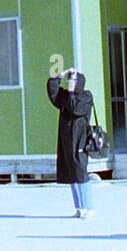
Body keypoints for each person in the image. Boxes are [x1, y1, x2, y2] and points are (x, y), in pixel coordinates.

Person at [47, 67, 94, 217]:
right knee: (71, 173)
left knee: (80, 172)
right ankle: (79, 207)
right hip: (67, 141)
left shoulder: (85, 96)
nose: (69, 83)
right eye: (68, 81)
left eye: (72, 80)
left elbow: (75, 109)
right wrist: (57, 77)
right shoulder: (65, 97)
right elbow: (53, 93)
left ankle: (89, 207)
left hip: (80, 141)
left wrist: (72, 92)